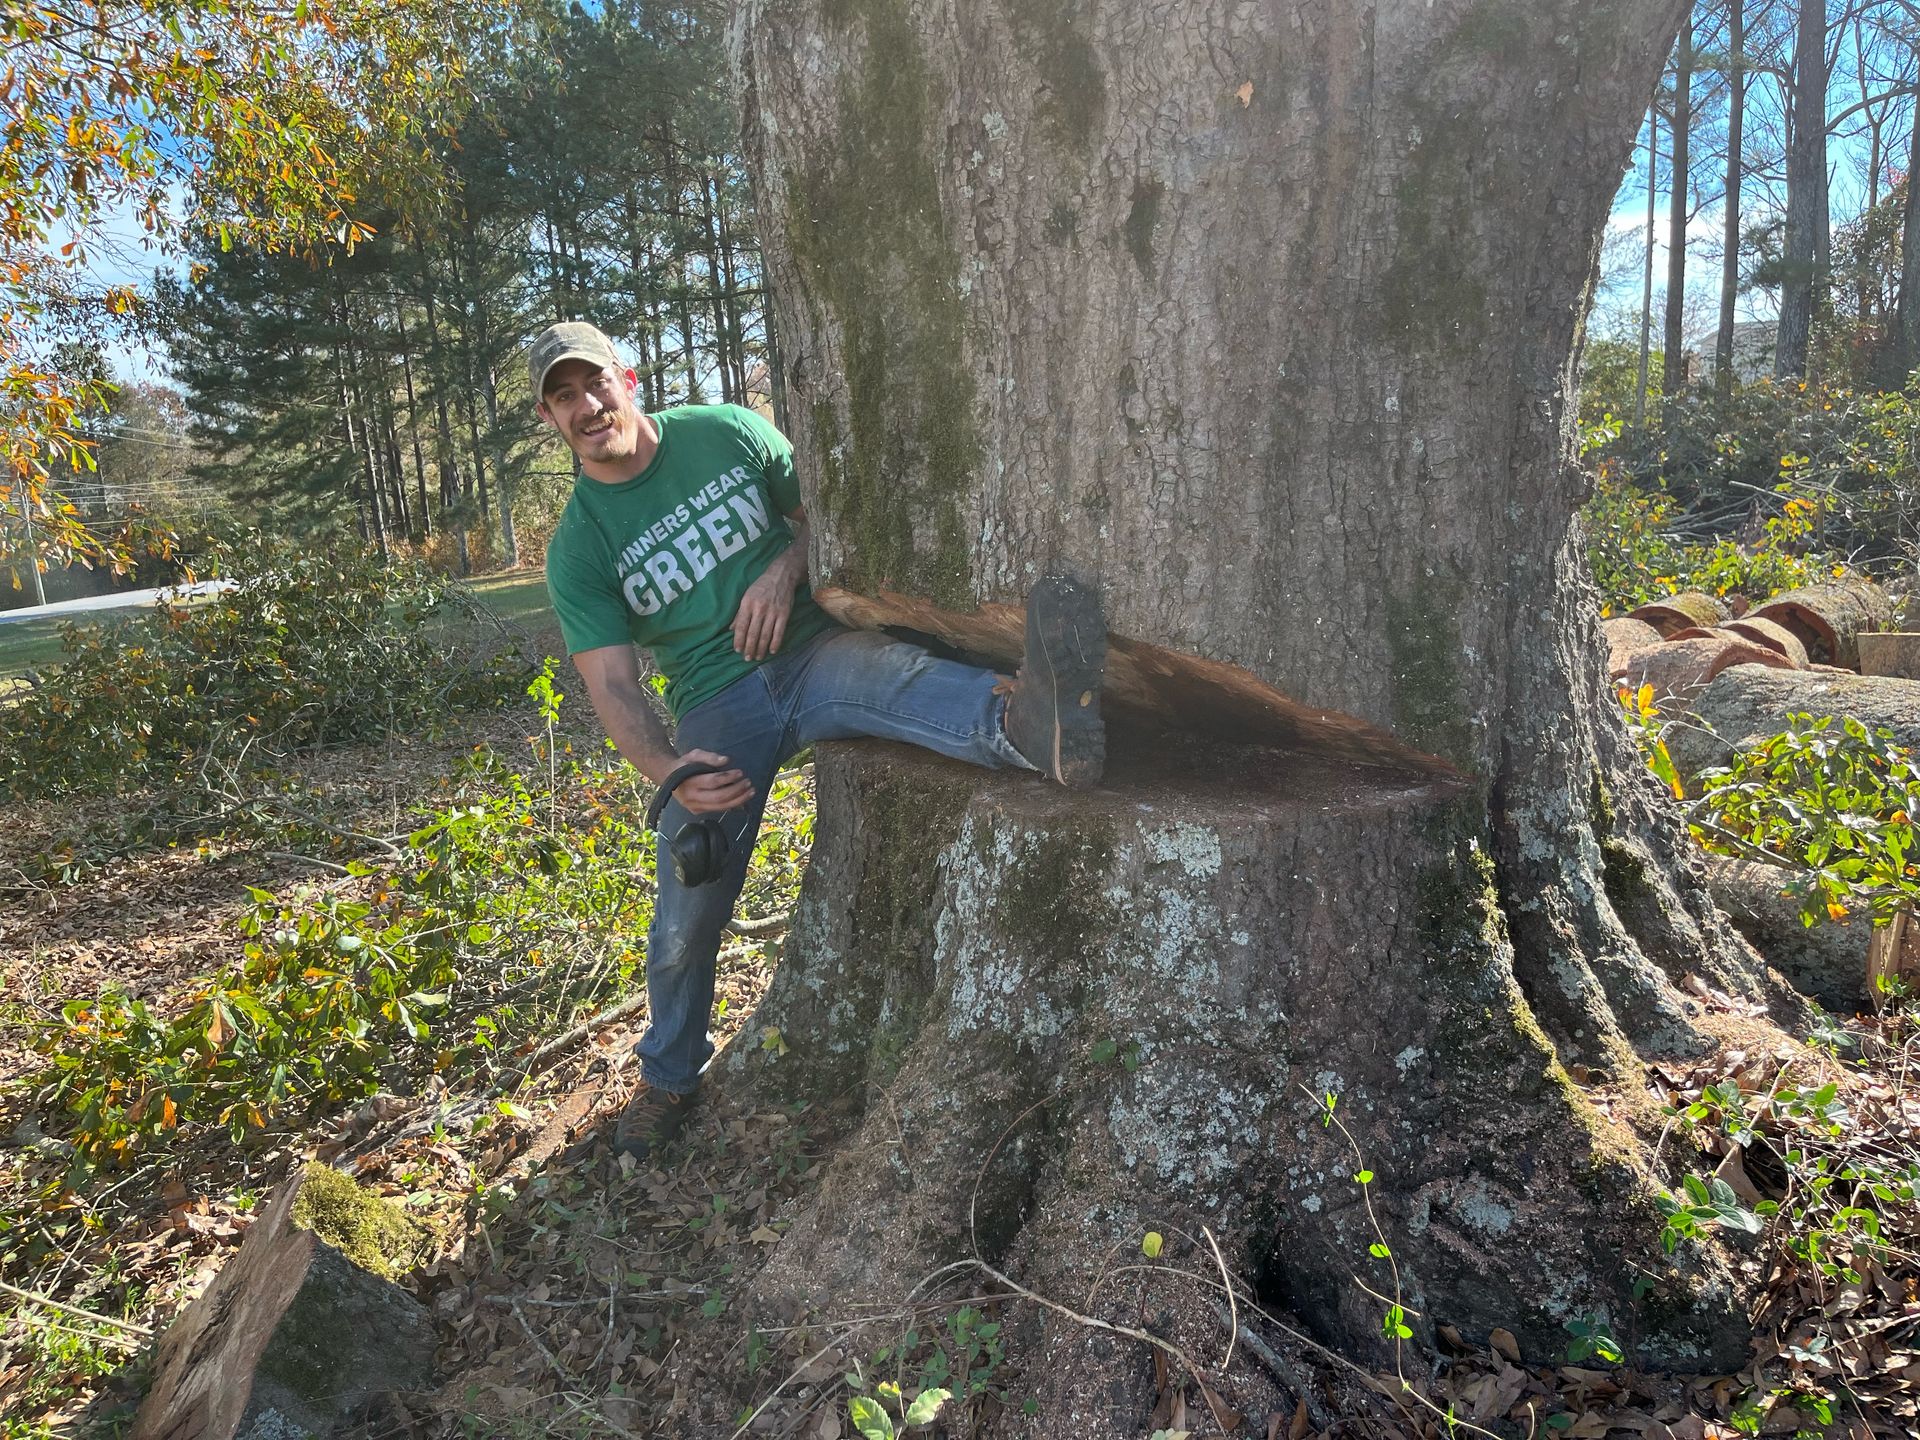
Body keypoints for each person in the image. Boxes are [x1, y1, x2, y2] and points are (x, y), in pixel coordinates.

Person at [532, 320, 1106, 1161]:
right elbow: (612, 684)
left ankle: (1040, 727)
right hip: (716, 707)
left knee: (900, 679)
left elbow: (820, 514)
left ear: (628, 376)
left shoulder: (725, 432)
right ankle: (667, 1076)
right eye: (562, 397)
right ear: (551, 420)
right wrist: (669, 771)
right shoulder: (579, 545)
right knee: (686, 907)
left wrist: (783, 568)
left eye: (592, 383)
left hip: (816, 653)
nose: (585, 406)